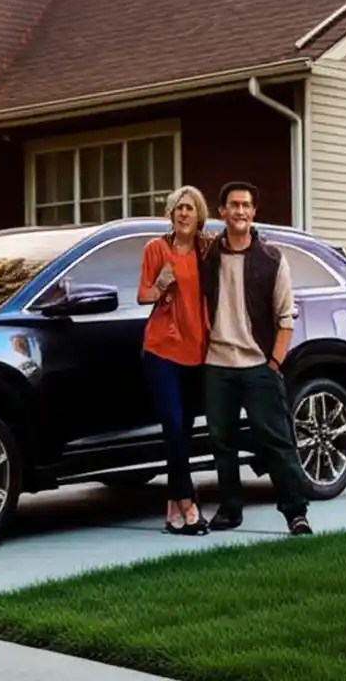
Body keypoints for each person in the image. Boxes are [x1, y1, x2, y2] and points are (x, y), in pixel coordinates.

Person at [200, 181, 312, 536]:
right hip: (218, 364)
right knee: (222, 443)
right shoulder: (208, 256)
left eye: (246, 205)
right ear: (222, 212)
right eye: (233, 205)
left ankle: (296, 512)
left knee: (276, 440)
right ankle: (230, 509)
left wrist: (274, 362)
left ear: (253, 212)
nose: (240, 211)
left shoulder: (271, 259)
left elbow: (285, 316)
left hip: (258, 365)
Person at [137, 185, 211, 535]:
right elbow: (143, 295)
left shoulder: (205, 249)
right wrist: (162, 285)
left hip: (197, 350)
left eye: (190, 208)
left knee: (184, 431)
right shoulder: (156, 249)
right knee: (173, 424)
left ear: (199, 216)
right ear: (171, 214)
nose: (183, 213)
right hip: (162, 348)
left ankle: (172, 509)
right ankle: (188, 502)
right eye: (178, 208)